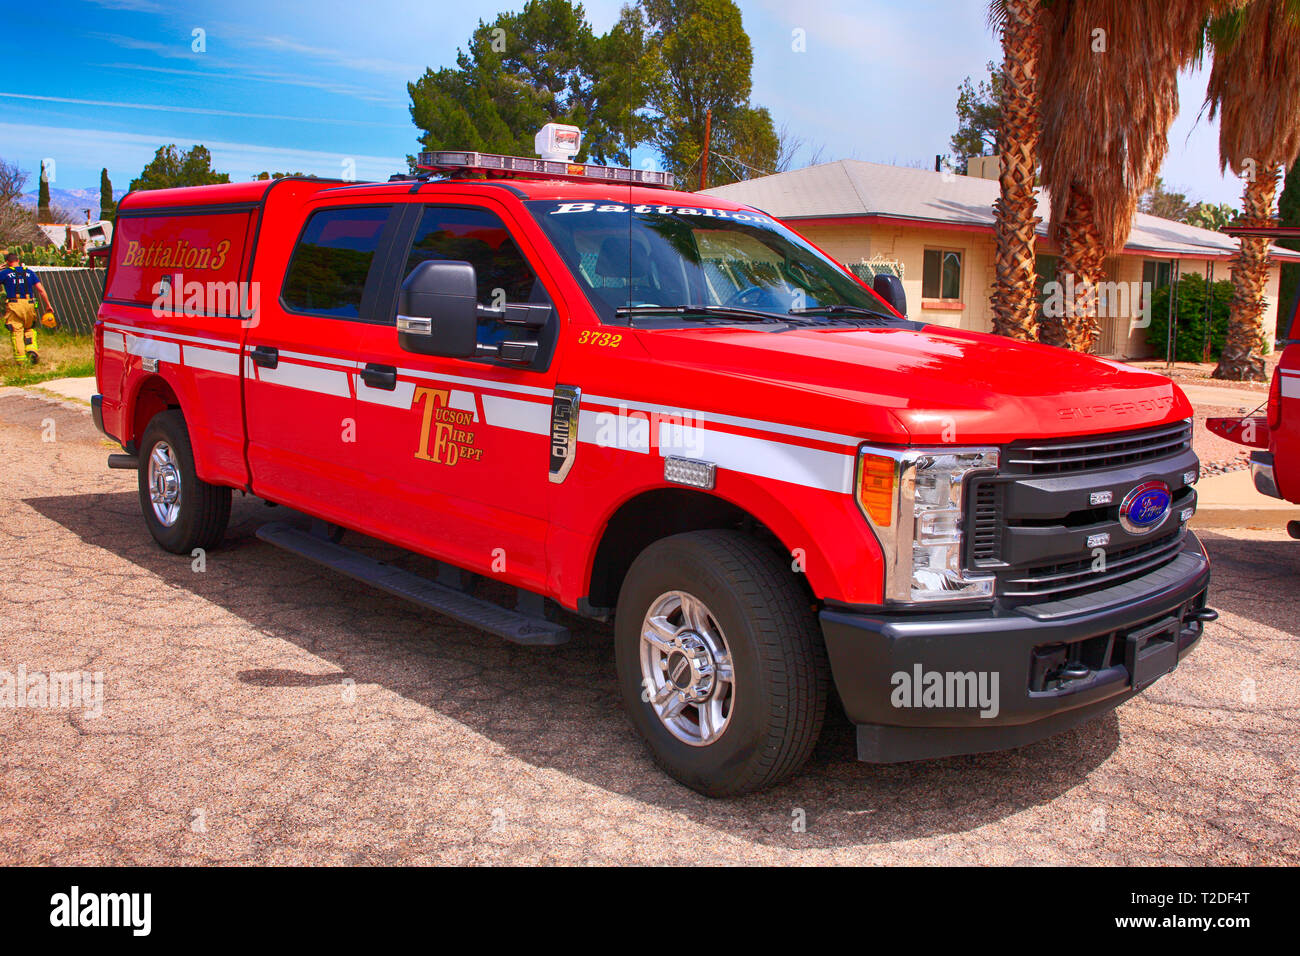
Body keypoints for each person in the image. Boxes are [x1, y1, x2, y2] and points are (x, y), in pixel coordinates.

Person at [2, 251, 55, 365]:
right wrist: (48, 304)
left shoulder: (5, 273)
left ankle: (21, 361)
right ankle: (31, 350)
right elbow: (40, 290)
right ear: (18, 261)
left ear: (7, 262)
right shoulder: (29, 272)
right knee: (29, 328)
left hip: (14, 305)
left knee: (17, 331)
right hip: (30, 304)